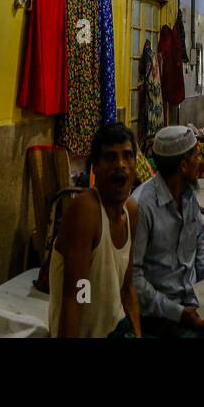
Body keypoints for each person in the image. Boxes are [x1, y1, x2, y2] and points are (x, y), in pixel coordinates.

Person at [132, 126, 204, 337]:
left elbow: (200, 251)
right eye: (196, 156)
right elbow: (134, 279)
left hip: (191, 301)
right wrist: (181, 313)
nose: (200, 162)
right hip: (159, 313)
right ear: (183, 165)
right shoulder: (142, 207)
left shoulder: (188, 195)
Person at [49, 123, 142, 338]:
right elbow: (77, 293)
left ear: (136, 165)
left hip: (116, 329)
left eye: (127, 156)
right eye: (110, 157)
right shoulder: (87, 211)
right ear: (95, 168)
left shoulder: (132, 211)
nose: (120, 164)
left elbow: (127, 289)